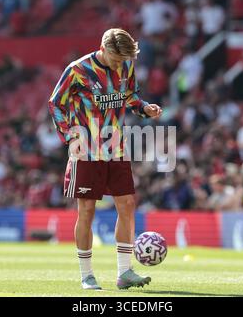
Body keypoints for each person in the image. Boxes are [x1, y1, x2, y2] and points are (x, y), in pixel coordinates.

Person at [48, 28, 162, 290]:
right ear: (103, 47)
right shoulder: (78, 70)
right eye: (116, 58)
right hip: (86, 150)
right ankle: (87, 275)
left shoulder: (125, 66)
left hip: (116, 148)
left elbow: (130, 95)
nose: (120, 64)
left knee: (127, 204)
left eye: (124, 60)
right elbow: (56, 103)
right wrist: (69, 135)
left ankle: (125, 272)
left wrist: (144, 107)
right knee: (87, 210)